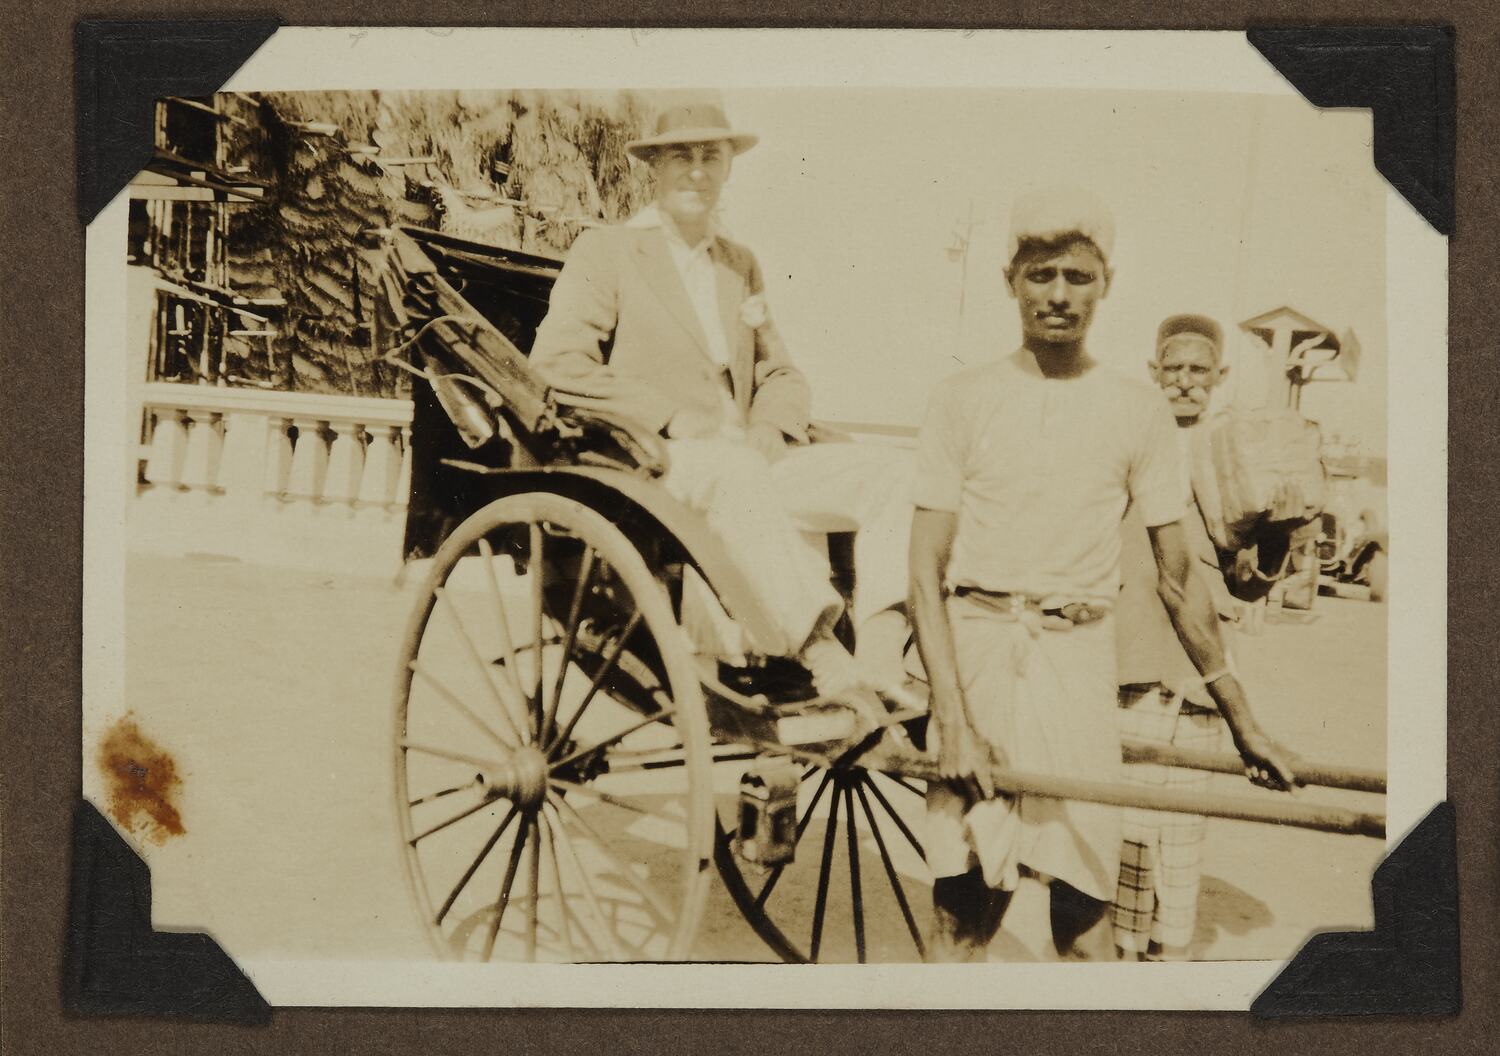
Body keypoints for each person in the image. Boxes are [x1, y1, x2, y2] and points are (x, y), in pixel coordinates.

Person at [908, 188, 1300, 963]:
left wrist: (1242, 720)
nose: (1059, 294)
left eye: (1078, 277)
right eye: (1042, 274)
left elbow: (1179, 582)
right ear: (1009, 281)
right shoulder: (963, 397)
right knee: (963, 917)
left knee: (1086, 920)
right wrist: (951, 716)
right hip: (982, 653)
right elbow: (925, 570)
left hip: (1079, 663)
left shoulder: (1137, 409)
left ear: (1106, 284)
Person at [529, 99, 912, 700]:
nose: (698, 171)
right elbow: (556, 365)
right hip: (662, 463)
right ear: (653, 168)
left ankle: (884, 653)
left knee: (897, 474)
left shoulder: (740, 263)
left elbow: (781, 371)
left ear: (729, 167)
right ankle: (820, 650)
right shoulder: (608, 253)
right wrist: (668, 416)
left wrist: (770, 425)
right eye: (682, 156)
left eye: (712, 156)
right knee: (732, 471)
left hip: (749, 463)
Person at [1112, 313, 1245, 961]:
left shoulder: (1229, 453)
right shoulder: (1130, 440)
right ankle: (1124, 950)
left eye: (1200, 371)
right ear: (1153, 374)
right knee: (1126, 822)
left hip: (1197, 667)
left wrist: (1262, 555)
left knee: (1185, 821)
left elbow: (1251, 580)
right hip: (1131, 655)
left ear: (1220, 378)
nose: (1186, 383)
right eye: (1175, 370)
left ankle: (1172, 956)